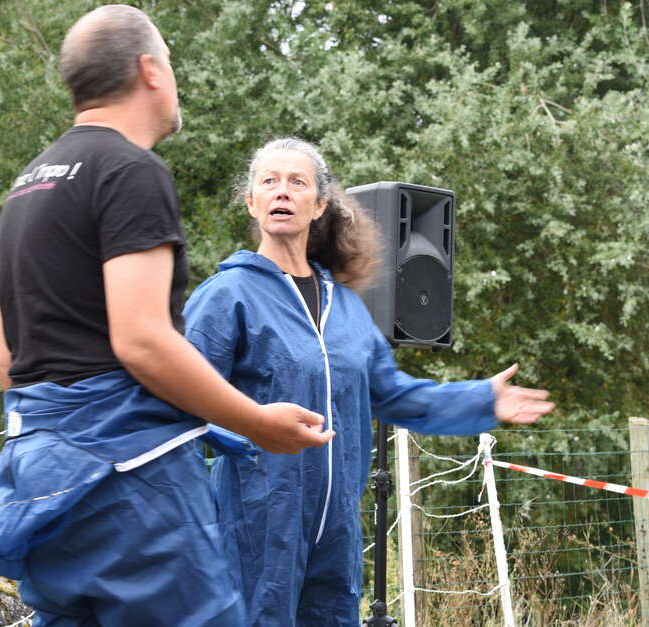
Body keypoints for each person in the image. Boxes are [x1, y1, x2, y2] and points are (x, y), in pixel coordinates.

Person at [0, 7, 333, 625]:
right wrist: (256, 423)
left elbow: (4, 359)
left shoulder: (28, 186)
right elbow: (141, 340)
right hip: (131, 483)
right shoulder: (129, 172)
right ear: (149, 71)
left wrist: (64, 437)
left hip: (38, 475)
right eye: (170, 61)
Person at [182, 137, 556, 625]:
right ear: (251, 201)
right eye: (268, 181)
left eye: (298, 182)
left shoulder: (348, 310)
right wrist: (241, 447)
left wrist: (482, 397)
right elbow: (179, 401)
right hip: (255, 525)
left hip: (336, 531)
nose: (282, 191)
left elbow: (394, 395)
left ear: (319, 205)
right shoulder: (226, 295)